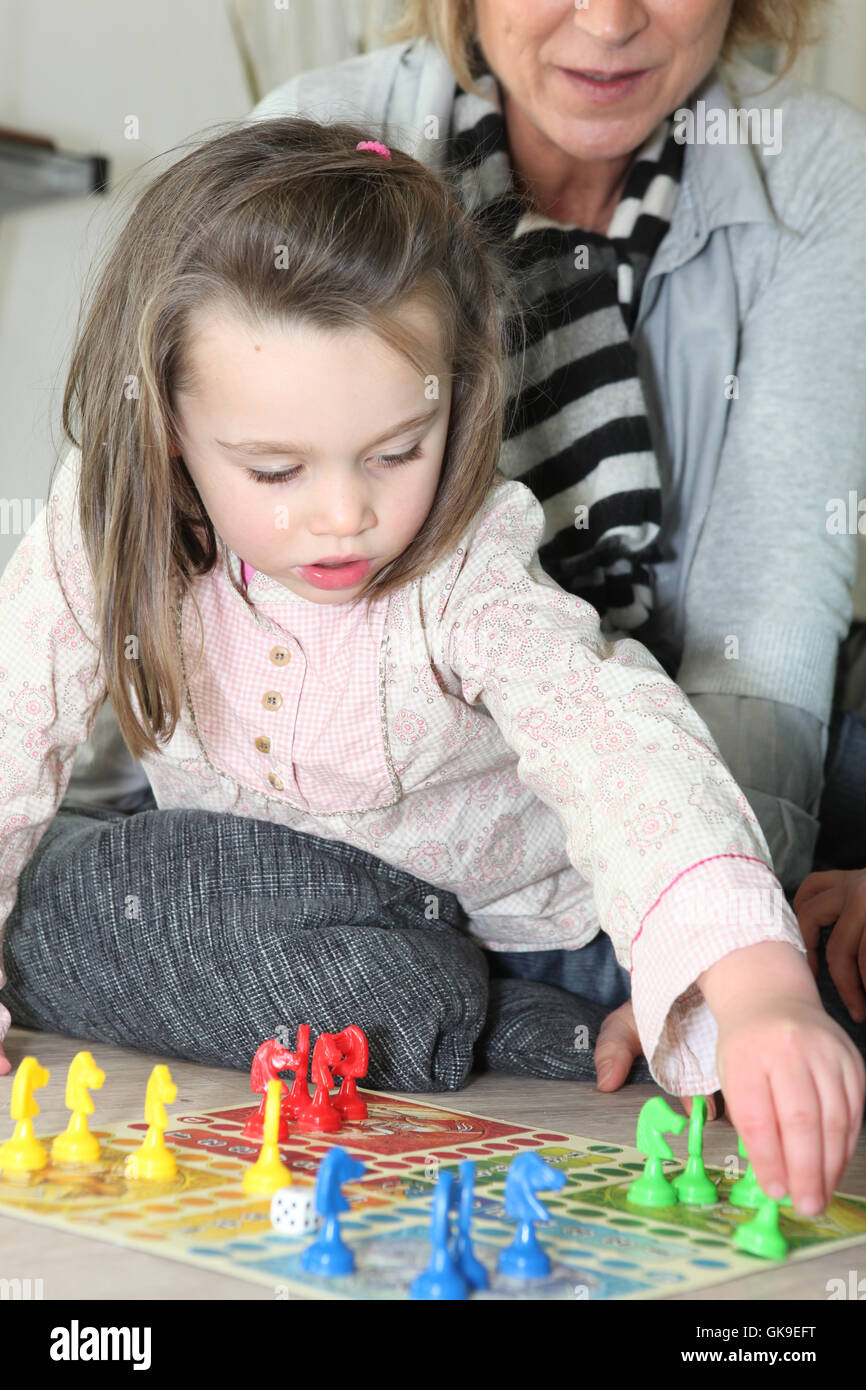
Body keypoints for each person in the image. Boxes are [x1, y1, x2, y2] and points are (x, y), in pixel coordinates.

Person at [0, 118, 861, 1216]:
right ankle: (462, 1019)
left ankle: (533, 1009)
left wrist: (752, 984)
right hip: (274, 907)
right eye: (273, 468)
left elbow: (609, 736)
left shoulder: (466, 566)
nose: (346, 515)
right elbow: (11, 713)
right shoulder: (103, 519)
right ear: (166, 425)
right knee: (109, 880)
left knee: (775, 971)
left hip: (540, 938)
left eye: (397, 452)